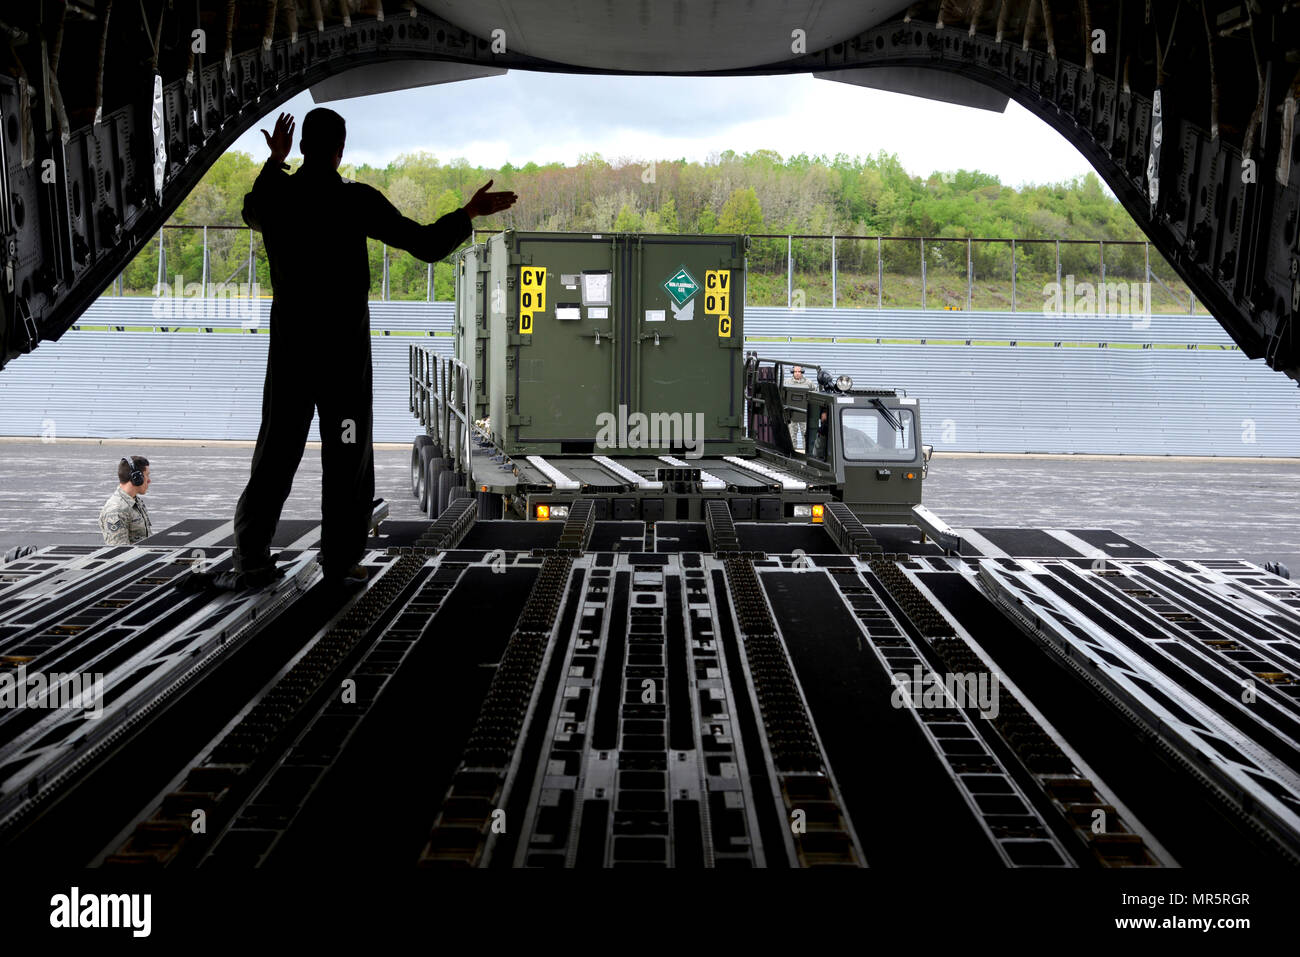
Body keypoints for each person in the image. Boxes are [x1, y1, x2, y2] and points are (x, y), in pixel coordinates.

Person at [227, 108, 517, 589]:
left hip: (293, 354)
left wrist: (273, 163)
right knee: (346, 456)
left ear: (302, 148)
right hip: (342, 358)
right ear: (341, 150)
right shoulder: (355, 201)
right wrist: (468, 214)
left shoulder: (278, 198)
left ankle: (252, 556)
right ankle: (340, 561)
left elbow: (252, 209)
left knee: (276, 452)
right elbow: (424, 244)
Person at [99, 456, 153, 544]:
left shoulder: (135, 502)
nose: (149, 480)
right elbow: (119, 553)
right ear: (137, 478)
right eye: (147, 475)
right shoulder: (116, 510)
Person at [783, 364, 811, 450]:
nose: (798, 373)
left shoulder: (809, 383)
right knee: (792, 435)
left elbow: (814, 395)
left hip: (804, 413)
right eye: (796, 371)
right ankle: (793, 451)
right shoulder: (787, 382)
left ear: (802, 372)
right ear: (793, 372)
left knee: (806, 435)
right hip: (792, 413)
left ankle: (807, 453)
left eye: (799, 371)